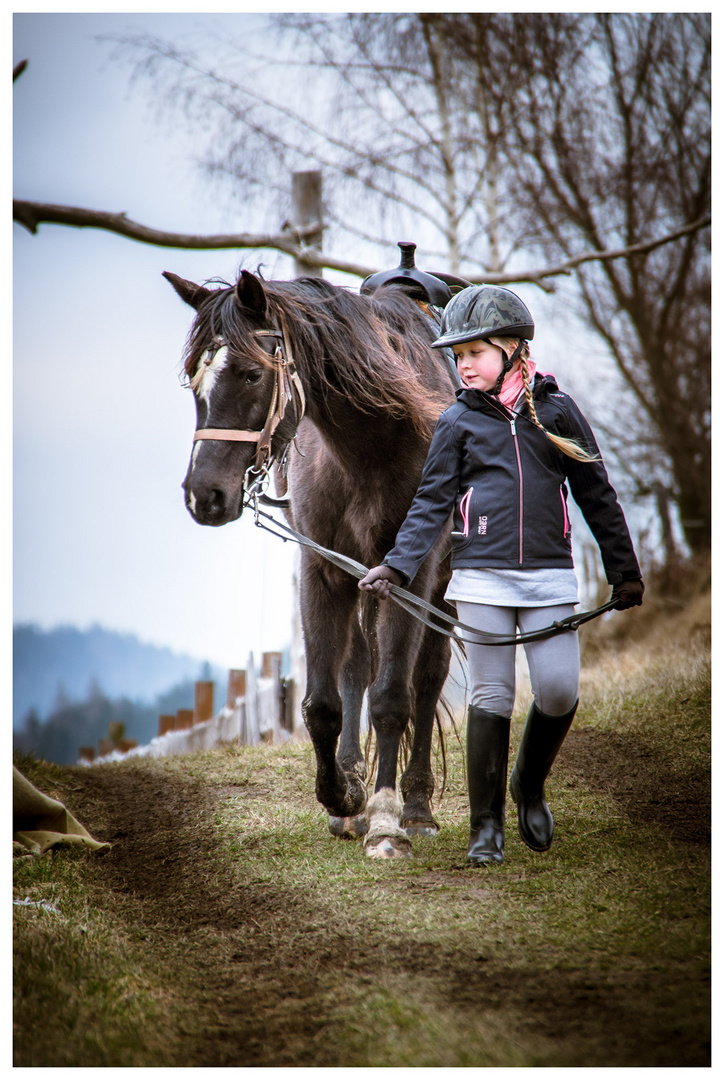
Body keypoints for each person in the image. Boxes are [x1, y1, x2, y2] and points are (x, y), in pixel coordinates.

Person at [358, 284, 643, 866]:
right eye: (458, 355)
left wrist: (624, 570)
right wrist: (399, 565)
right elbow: (431, 504)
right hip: (481, 578)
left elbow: (596, 493)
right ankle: (485, 828)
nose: (463, 365)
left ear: (512, 349)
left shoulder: (557, 412)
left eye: (475, 353)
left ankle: (527, 786)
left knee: (559, 690)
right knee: (491, 695)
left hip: (548, 578)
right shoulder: (456, 421)